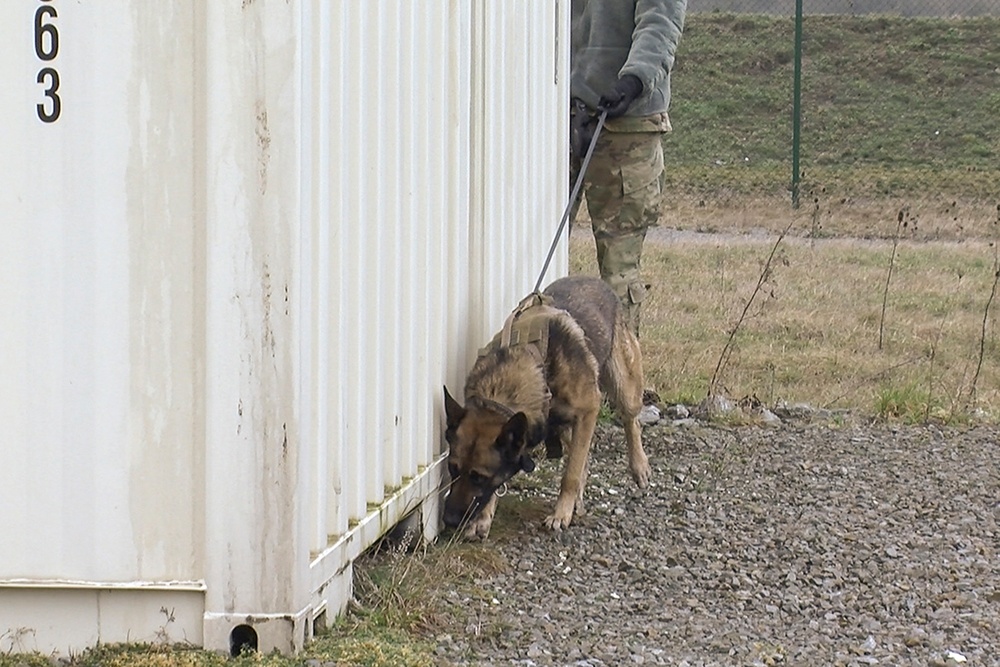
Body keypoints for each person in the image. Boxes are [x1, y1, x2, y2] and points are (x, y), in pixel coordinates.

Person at [569, 0, 686, 337]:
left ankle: (619, 367)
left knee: (618, 271)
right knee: (533, 257)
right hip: (565, 115)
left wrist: (634, 80)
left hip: (628, 123)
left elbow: (660, 21)